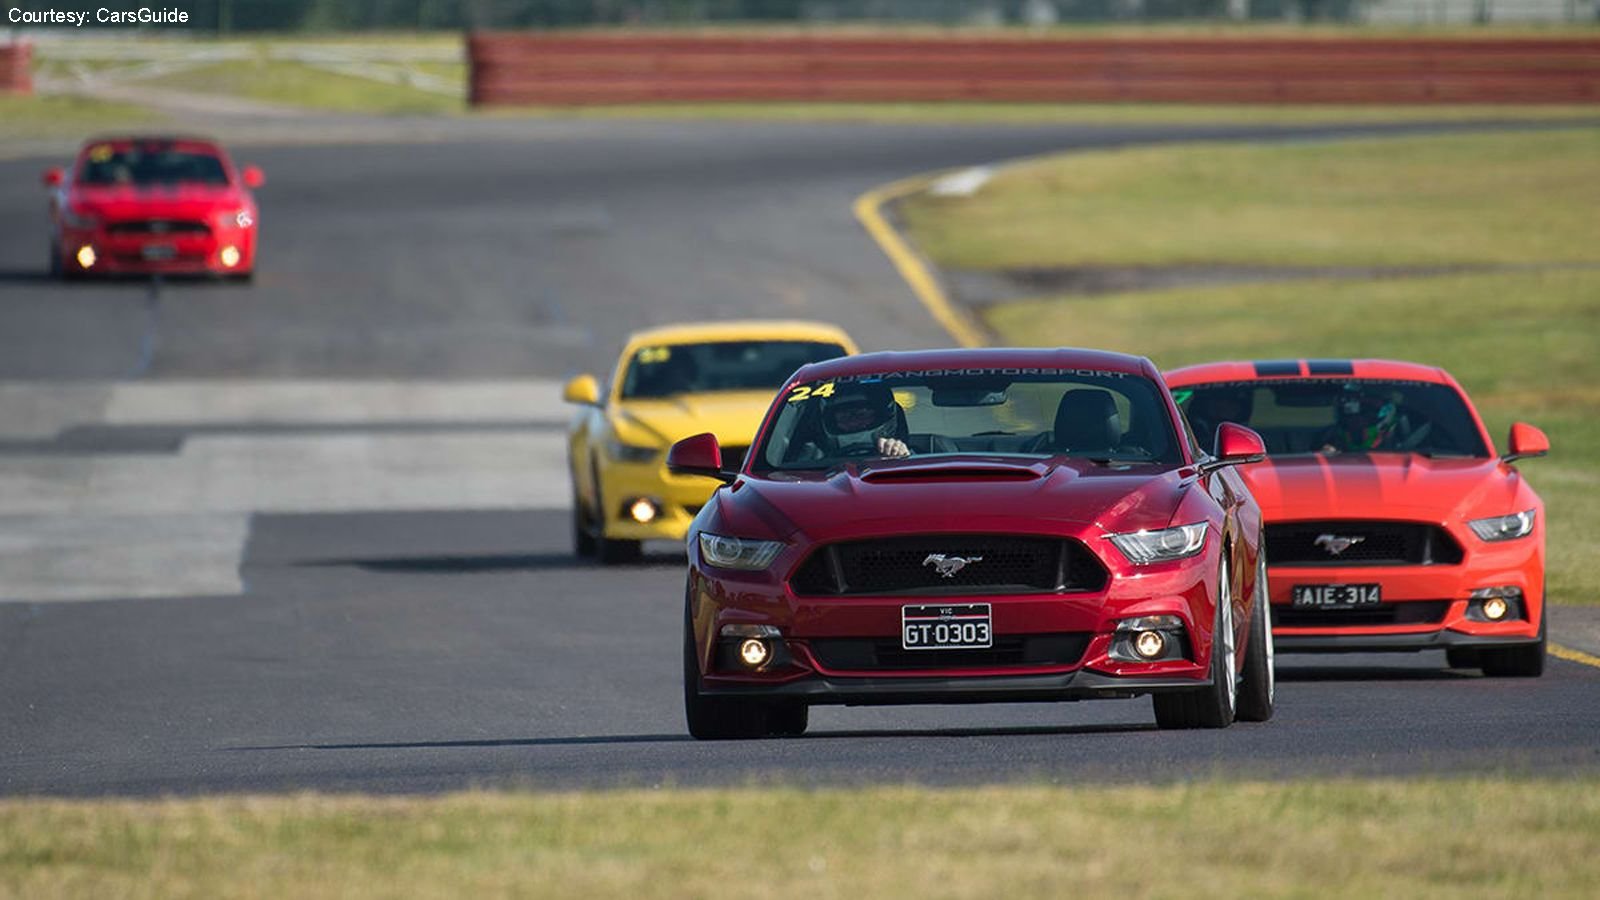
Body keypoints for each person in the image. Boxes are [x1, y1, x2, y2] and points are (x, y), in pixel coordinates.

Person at [816, 383, 912, 459]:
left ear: (880, 416)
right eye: (844, 417)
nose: (853, 422)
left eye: (861, 415)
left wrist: (901, 458)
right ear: (831, 423)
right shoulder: (813, 466)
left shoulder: (913, 458)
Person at [1318, 386, 1401, 454]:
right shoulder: (1334, 435)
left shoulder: (1397, 438)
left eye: (1363, 414)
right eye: (1350, 416)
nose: (1355, 419)